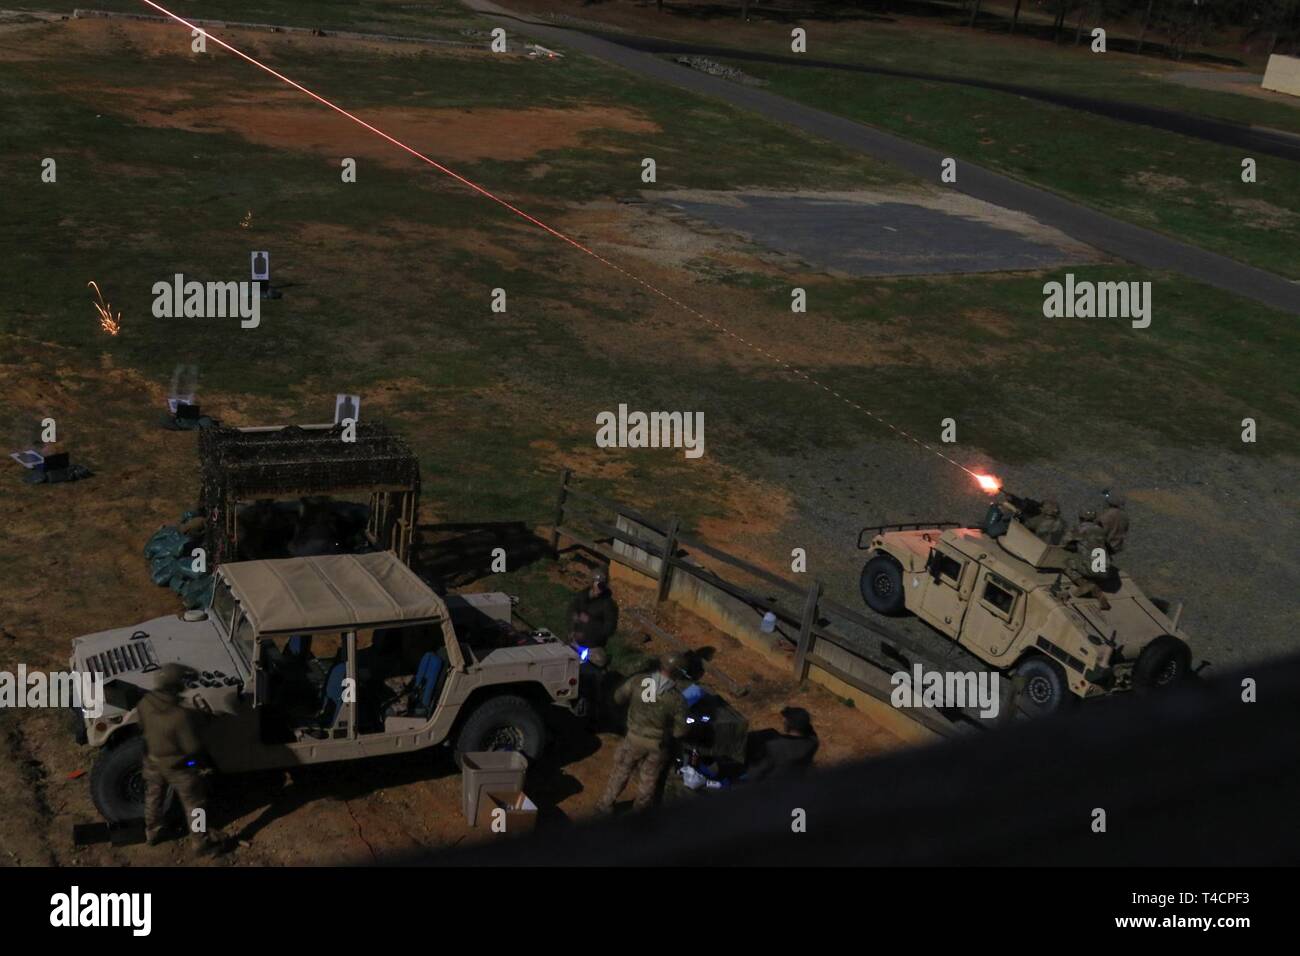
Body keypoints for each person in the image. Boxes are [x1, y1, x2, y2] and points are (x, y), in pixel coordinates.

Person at [137, 663, 227, 853]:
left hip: (151, 759)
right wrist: (198, 765)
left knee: (154, 796)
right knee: (196, 804)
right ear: (175, 686)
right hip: (178, 766)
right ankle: (201, 841)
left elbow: (142, 727)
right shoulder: (180, 715)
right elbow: (193, 747)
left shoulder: (145, 701)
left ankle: (152, 832)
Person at [596, 655, 689, 813]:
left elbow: (618, 698)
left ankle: (605, 804)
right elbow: (680, 732)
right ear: (678, 673)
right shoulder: (677, 700)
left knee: (621, 771)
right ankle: (639, 813)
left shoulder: (638, 681)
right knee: (648, 779)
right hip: (657, 745)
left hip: (632, 739)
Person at [745, 706, 819, 782]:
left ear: (790, 725)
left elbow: (755, 773)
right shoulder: (813, 741)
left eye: (785, 720)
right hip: (795, 775)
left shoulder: (775, 747)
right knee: (770, 732)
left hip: (772, 783)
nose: (783, 721)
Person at [568, 569, 619, 666]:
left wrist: (590, 622)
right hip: (575, 642)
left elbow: (609, 629)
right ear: (592, 583)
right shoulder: (582, 596)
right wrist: (574, 620)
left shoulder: (608, 605)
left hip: (592, 647)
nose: (600, 587)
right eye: (598, 584)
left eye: (603, 584)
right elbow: (572, 611)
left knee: (592, 668)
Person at [1063, 511, 1112, 610]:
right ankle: (1099, 595)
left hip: (1091, 567)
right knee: (1090, 569)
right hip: (1105, 569)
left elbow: (1064, 542)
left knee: (1066, 563)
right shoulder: (1101, 531)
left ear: (1080, 518)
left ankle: (1085, 584)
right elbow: (1109, 547)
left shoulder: (1080, 528)